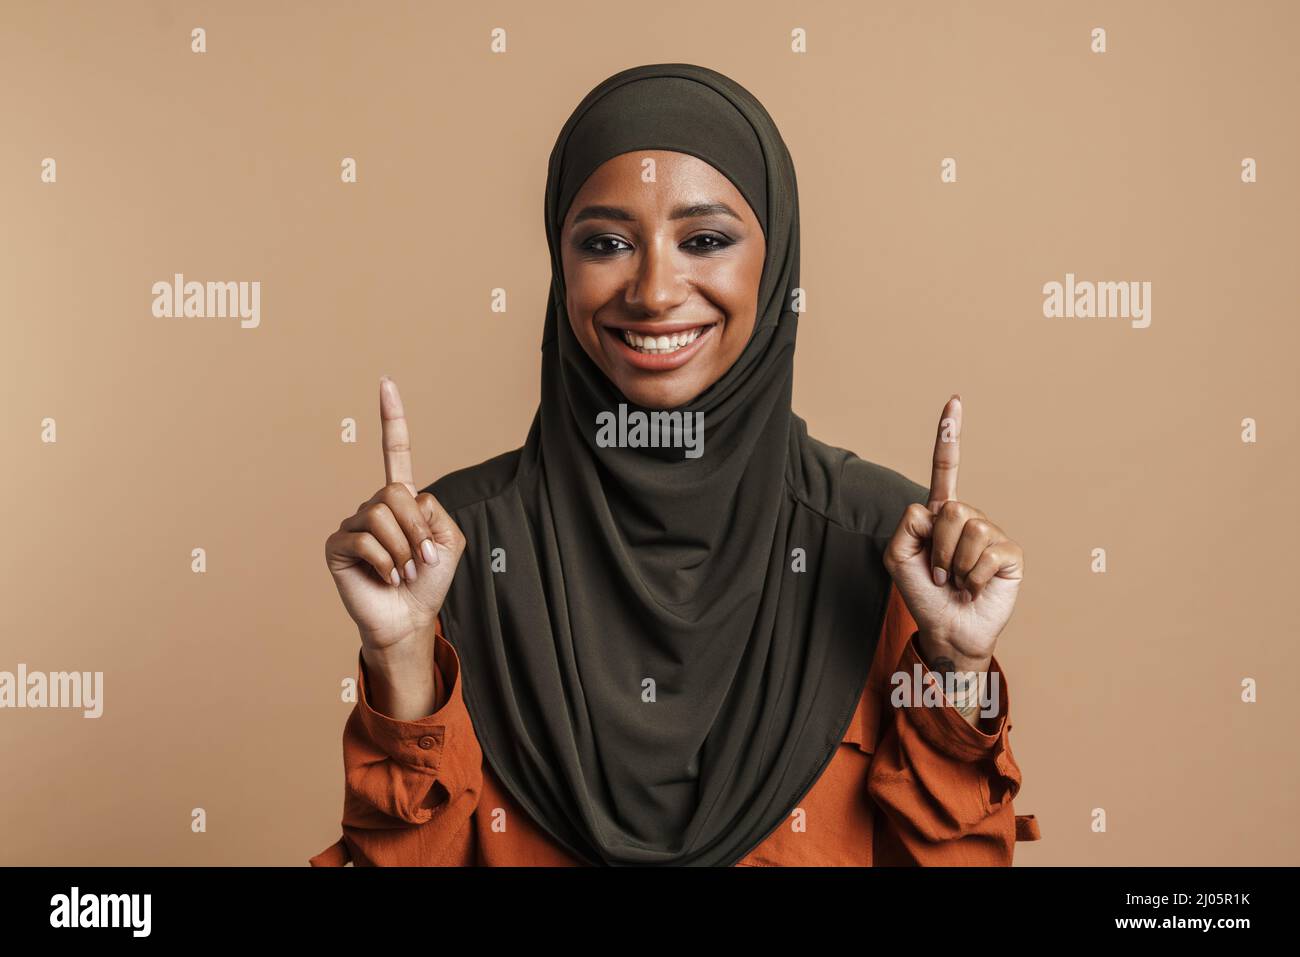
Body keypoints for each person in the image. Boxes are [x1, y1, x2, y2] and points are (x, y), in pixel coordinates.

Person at [313, 62, 1040, 867]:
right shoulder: (451, 548)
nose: (655, 291)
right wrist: (402, 655)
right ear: (561, 268)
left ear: (776, 261)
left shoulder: (890, 546)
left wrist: (957, 669)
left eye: (705, 240)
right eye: (606, 243)